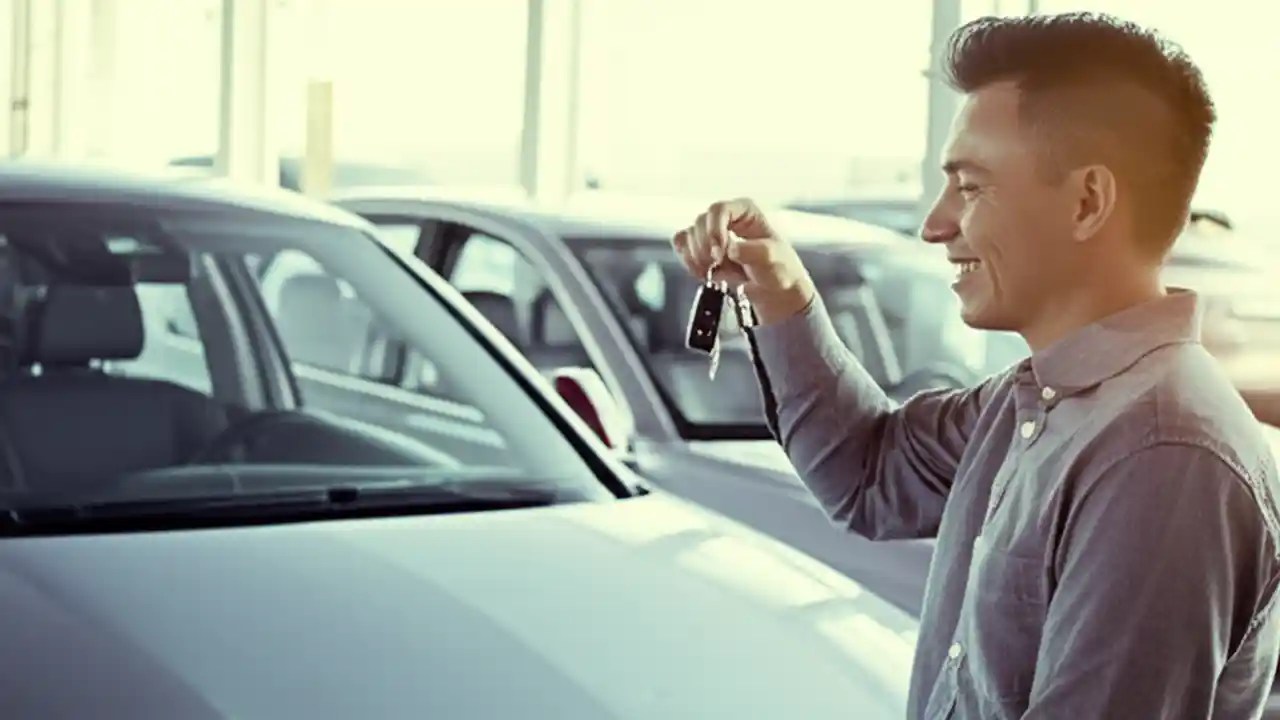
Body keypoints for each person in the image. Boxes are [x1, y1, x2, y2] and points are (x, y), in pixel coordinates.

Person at [672, 12, 1280, 720]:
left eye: (970, 185)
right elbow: (867, 476)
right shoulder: (1038, 401)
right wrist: (778, 288)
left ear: (1088, 201)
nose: (933, 224)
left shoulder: (1163, 457)